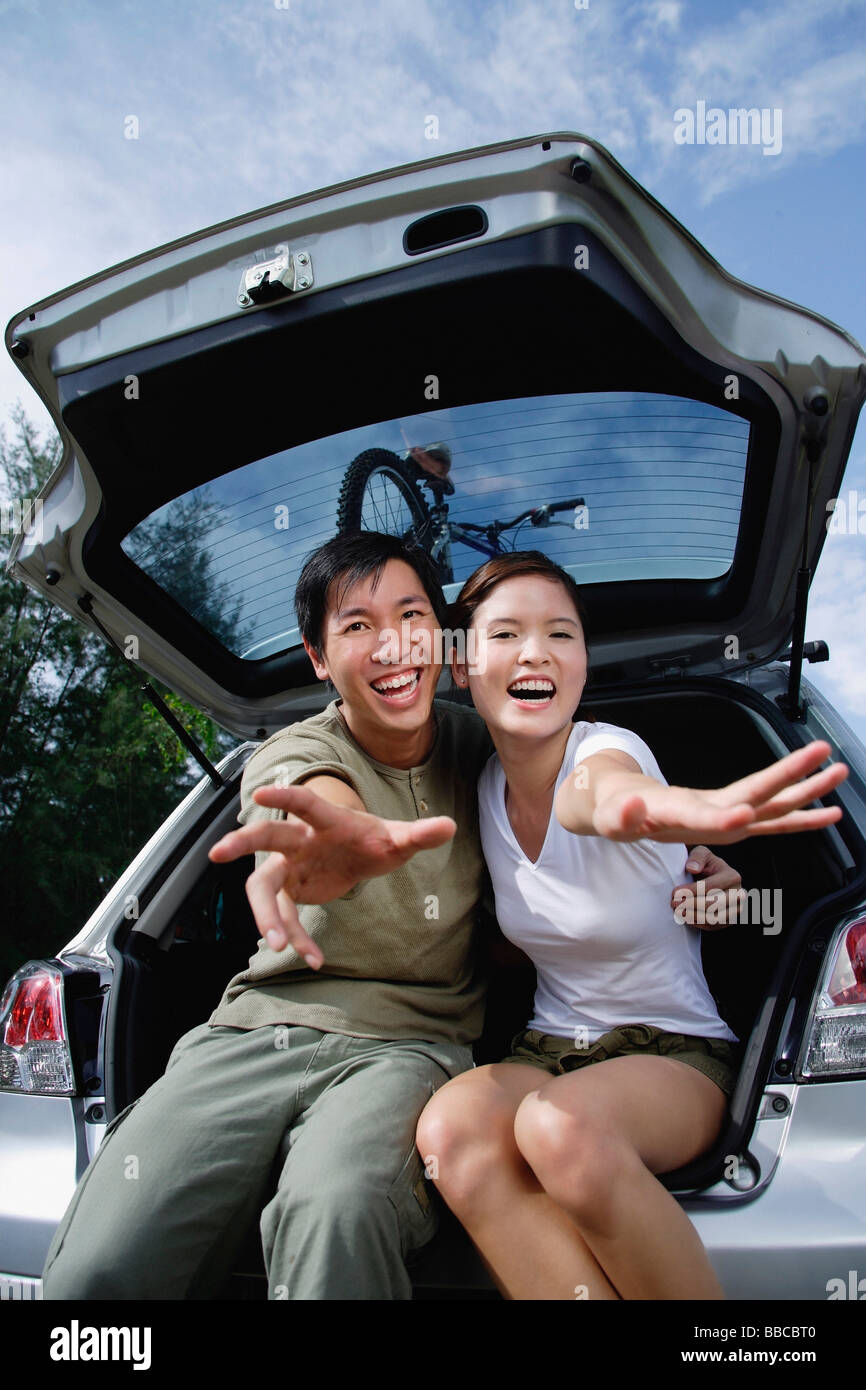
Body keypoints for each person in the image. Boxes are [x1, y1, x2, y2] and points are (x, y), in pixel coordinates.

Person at [40, 532, 746, 1300]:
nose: (391, 645)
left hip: (412, 1046)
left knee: (333, 1215)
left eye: (411, 615)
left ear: (443, 646)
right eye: (356, 626)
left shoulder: (496, 747)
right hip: (252, 1032)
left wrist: (688, 852)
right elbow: (305, 797)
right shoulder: (297, 750)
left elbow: (595, 789)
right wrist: (334, 839)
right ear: (318, 657)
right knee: (96, 1273)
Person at [414, 550, 848, 1301]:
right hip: (547, 1050)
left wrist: (697, 812)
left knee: (561, 1130)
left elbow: (608, 800)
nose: (536, 652)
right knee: (451, 1132)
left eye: (561, 634)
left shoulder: (606, 750)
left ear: (582, 665)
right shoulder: (480, 788)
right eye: (506, 633)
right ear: (462, 666)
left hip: (673, 1056)